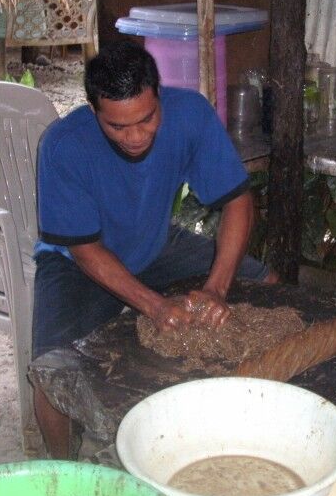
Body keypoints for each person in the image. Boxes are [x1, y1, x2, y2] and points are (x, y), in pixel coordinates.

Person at [31, 40, 276, 456]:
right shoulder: (62, 146)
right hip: (78, 262)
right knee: (51, 369)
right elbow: (86, 251)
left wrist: (216, 288)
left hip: (155, 243)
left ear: (159, 96)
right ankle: (63, 469)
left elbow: (237, 201)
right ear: (94, 112)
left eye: (146, 120)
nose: (135, 136)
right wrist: (156, 306)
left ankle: (253, 431)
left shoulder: (190, 115)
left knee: (268, 284)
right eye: (117, 127)